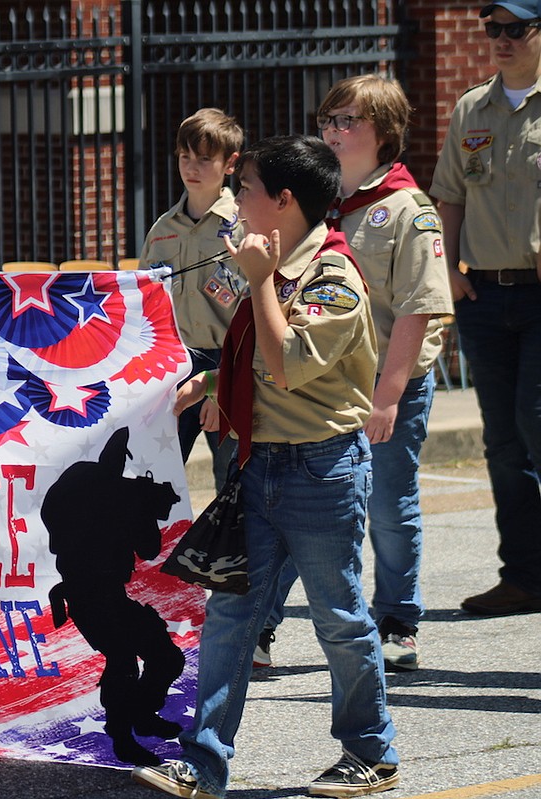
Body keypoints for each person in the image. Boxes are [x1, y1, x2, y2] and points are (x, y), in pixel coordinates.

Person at [134, 136, 399, 798]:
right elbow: (254, 353)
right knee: (228, 614)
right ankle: (202, 761)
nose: (239, 200)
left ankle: (371, 752)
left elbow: (285, 366)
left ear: (283, 201)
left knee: (339, 615)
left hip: (321, 471)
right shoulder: (274, 267)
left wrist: (256, 282)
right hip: (260, 468)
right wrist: (216, 384)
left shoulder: (334, 278)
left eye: (247, 187)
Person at [255, 75, 454, 672]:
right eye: (329, 121)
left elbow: (420, 307)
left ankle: (397, 617)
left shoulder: (405, 209)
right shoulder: (313, 200)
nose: (335, 133)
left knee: (389, 504)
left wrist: (389, 398)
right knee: (298, 506)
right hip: (317, 382)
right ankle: (262, 625)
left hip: (386, 382)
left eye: (350, 123)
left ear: (384, 134)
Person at [430, 0, 541, 617]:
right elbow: (448, 197)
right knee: (503, 442)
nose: (500, 39)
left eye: (514, 28)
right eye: (492, 29)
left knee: (535, 420)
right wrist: (447, 270)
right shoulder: (473, 108)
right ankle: (524, 576)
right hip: (485, 296)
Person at [140, 108, 245, 491]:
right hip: (174, 364)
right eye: (185, 156)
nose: (192, 167)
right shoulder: (164, 229)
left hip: (228, 360)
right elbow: (145, 305)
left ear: (230, 163)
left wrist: (218, 390)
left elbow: (249, 309)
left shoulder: (243, 224)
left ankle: (228, 554)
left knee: (231, 481)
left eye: (205, 158)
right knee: (157, 476)